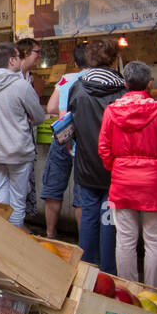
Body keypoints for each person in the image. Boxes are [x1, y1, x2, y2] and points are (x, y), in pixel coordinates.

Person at [98, 60, 157, 289]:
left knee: (125, 240)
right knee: (155, 242)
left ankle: (129, 292)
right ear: (149, 83)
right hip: (156, 182)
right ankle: (154, 291)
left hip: (123, 181)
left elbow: (104, 149)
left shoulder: (111, 111)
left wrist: (116, 170)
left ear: (125, 83)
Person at [66, 38, 126, 272]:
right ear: (114, 59)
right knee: (109, 217)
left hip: (86, 161)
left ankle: (86, 270)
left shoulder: (78, 87)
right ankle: (109, 271)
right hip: (115, 163)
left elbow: (71, 120)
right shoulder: (123, 88)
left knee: (89, 215)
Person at [0, 42, 46, 227]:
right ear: (11, 60)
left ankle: (1, 240)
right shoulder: (20, 86)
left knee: (1, 201)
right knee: (18, 202)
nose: (20, 59)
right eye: (18, 56)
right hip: (18, 152)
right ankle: (15, 243)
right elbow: (39, 116)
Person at [40, 43, 87, 238]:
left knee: (53, 187)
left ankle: (51, 234)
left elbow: (52, 108)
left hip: (61, 139)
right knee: (82, 195)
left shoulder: (67, 80)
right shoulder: (102, 80)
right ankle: (85, 242)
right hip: (86, 144)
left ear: (75, 63)